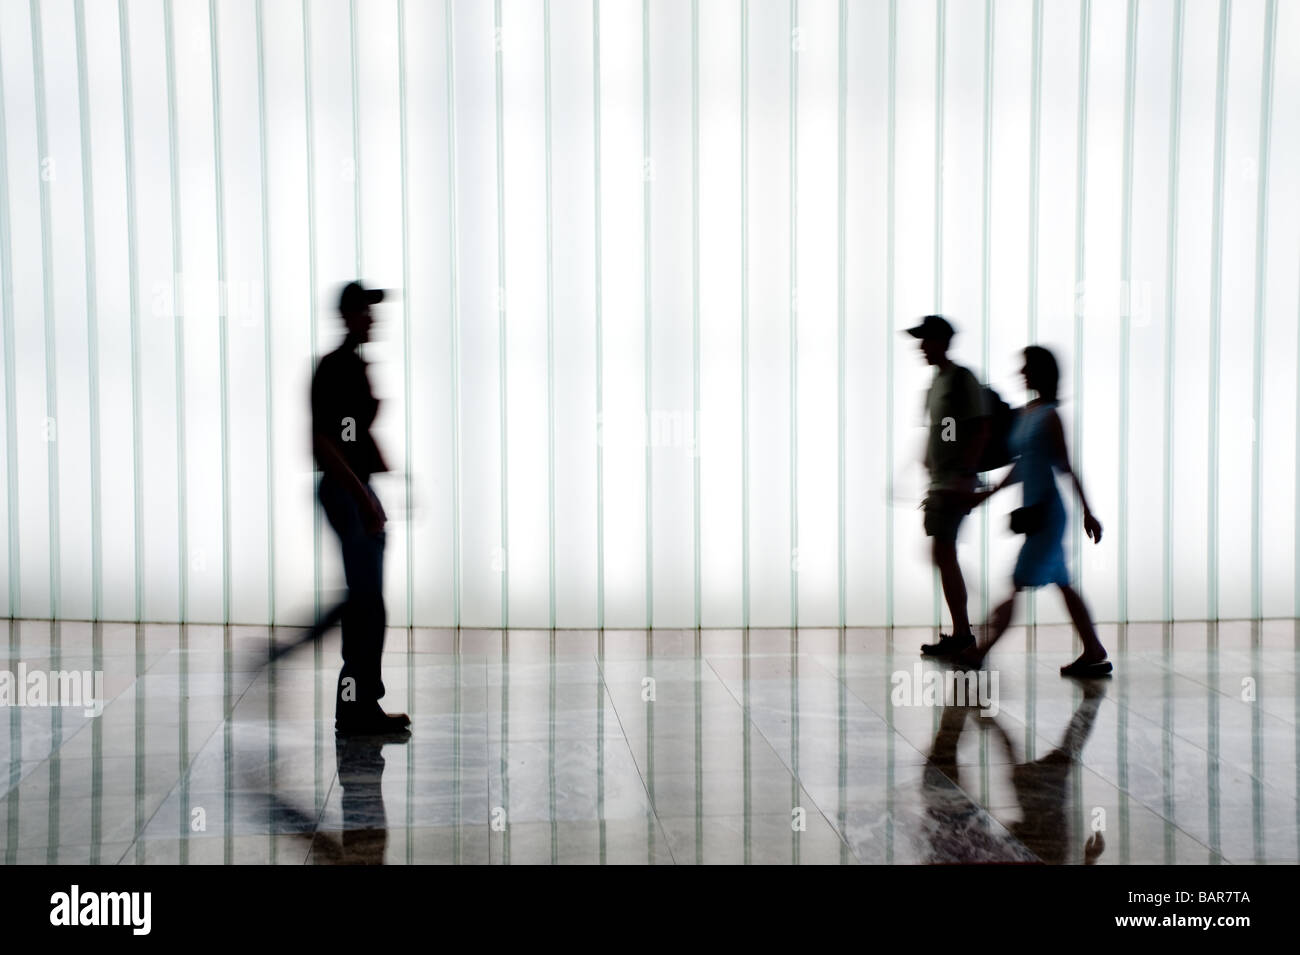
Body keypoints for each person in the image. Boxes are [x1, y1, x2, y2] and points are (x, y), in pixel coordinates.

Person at [963, 345, 1110, 677]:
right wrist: (987, 495)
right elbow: (1021, 467)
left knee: (1017, 581)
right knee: (1063, 584)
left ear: (1042, 373)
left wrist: (1088, 512)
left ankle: (979, 651)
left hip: (1048, 515)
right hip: (1035, 512)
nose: (1022, 372)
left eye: (1027, 367)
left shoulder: (1050, 416)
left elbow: (1066, 467)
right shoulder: (1027, 412)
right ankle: (1094, 649)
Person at [311, 282, 411, 735]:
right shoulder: (335, 367)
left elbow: (353, 435)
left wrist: (384, 473)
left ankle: (358, 704)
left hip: (355, 490)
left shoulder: (351, 366)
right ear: (348, 316)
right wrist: (362, 496)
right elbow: (326, 443)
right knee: (365, 603)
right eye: (366, 312)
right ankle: (356, 707)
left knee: (366, 602)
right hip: (346, 492)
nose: (374, 319)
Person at [906, 315, 989, 657]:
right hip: (942, 482)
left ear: (942, 341)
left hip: (955, 482)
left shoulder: (960, 379)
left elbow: (980, 426)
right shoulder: (935, 386)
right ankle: (961, 631)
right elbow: (942, 429)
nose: (921, 347)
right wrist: (928, 462)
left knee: (943, 551)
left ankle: (963, 633)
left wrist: (965, 473)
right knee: (942, 552)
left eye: (926, 340)